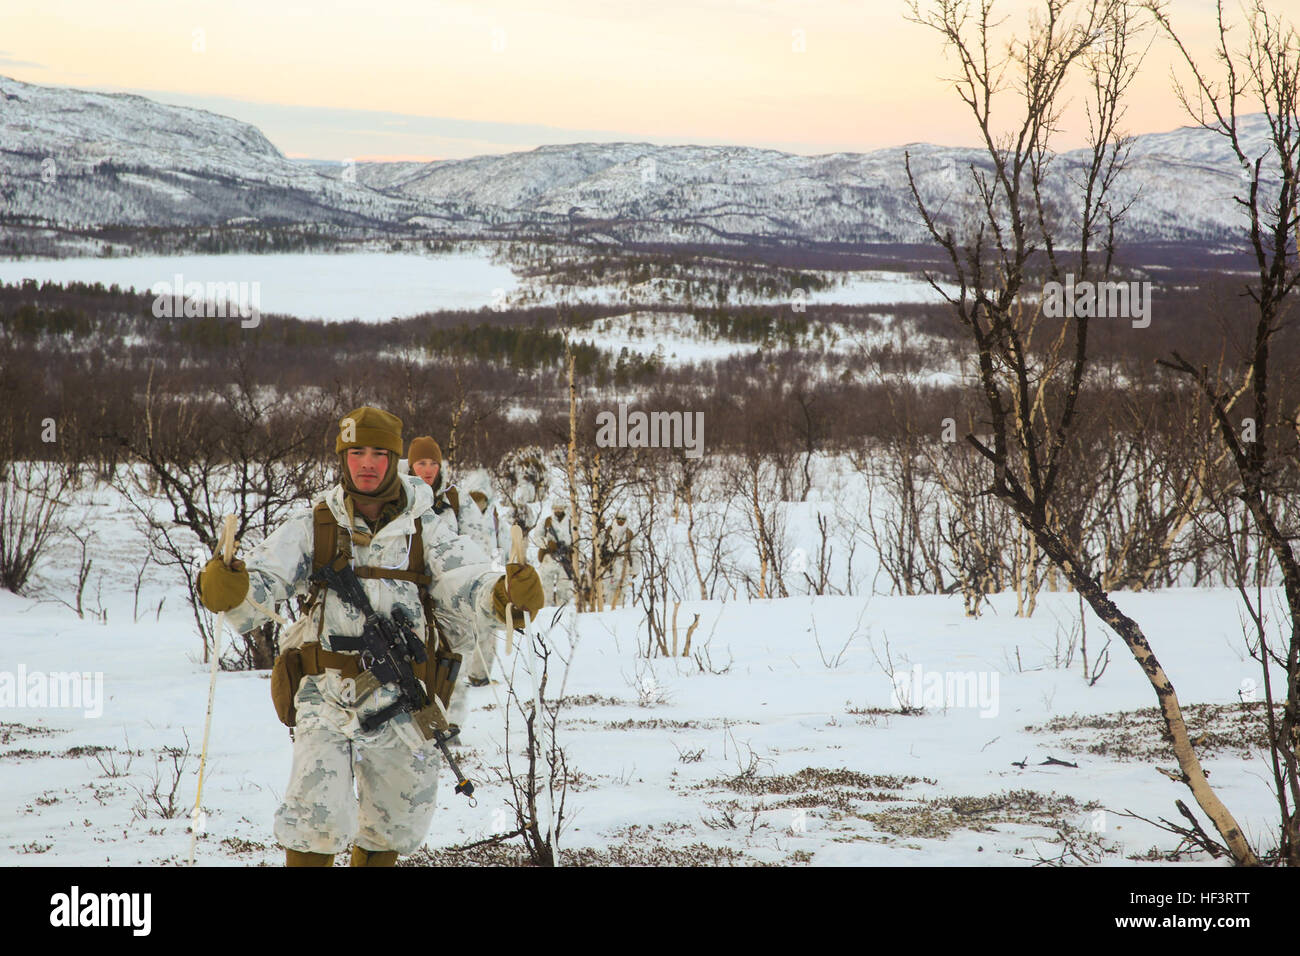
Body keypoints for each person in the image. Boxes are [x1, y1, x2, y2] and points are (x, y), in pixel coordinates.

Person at [197, 407, 543, 867]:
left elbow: (466, 578)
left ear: (394, 459)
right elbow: (264, 577)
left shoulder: (425, 528)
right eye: (356, 452)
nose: (366, 463)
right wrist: (231, 585)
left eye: (379, 453)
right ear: (342, 457)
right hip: (327, 694)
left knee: (393, 821)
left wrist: (502, 594)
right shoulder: (315, 526)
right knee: (314, 817)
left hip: (403, 695)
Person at [530, 500, 575, 607]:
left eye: (560, 508)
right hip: (549, 557)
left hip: (565, 559)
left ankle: (563, 609)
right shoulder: (546, 522)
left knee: (564, 587)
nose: (558, 510)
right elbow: (537, 537)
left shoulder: (571, 522)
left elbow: (577, 540)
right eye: (556, 508)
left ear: (564, 509)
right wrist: (547, 543)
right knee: (546, 586)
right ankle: (546, 609)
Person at [599, 512, 640, 609]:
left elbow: (635, 551)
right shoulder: (608, 531)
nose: (620, 521)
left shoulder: (629, 533)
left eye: (623, 519)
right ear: (615, 519)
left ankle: (619, 611)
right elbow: (599, 547)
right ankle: (608, 609)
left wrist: (635, 569)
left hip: (623, 564)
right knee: (607, 589)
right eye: (619, 518)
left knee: (622, 589)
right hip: (608, 564)